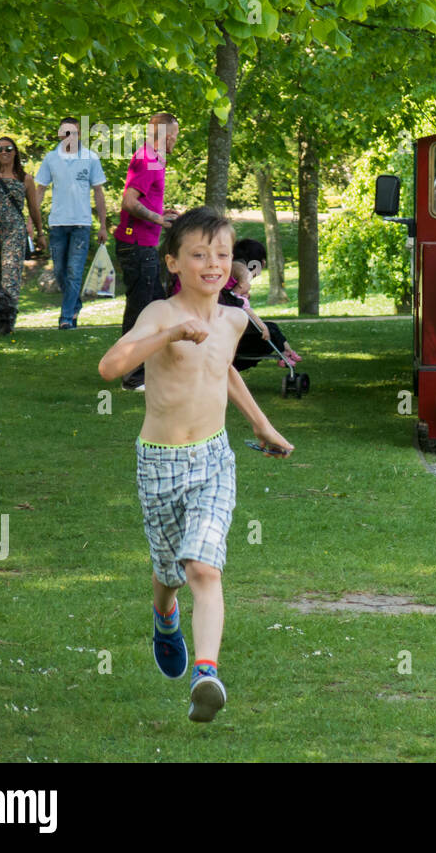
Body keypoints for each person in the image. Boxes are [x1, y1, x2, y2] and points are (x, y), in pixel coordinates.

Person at [96, 208, 293, 724]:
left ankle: (207, 674)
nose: (213, 263)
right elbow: (110, 367)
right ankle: (164, 616)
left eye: (222, 255)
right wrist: (170, 336)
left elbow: (222, 368)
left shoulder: (233, 317)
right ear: (174, 261)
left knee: (203, 566)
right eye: (200, 254)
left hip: (212, 458)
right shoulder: (160, 314)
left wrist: (260, 423)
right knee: (170, 573)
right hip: (159, 461)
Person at [115, 113, 180, 391]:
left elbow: (142, 202)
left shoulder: (151, 158)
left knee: (158, 308)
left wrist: (160, 213)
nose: (176, 141)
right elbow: (129, 201)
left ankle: (155, 368)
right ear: (166, 136)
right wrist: (159, 220)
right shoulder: (148, 159)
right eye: (176, 136)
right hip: (137, 246)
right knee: (140, 311)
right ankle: (131, 375)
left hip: (144, 245)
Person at [35, 117, 110, 329]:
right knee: (59, 271)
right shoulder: (50, 159)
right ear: (60, 134)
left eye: (75, 133)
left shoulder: (91, 158)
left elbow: (98, 192)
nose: (71, 137)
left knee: (74, 271)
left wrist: (103, 225)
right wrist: (32, 220)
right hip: (57, 224)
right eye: (66, 133)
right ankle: (75, 304)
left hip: (81, 224)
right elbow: (40, 190)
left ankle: (66, 318)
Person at [0, 137, 46, 323]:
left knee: (11, 276)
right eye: (0, 149)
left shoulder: (25, 179)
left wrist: (40, 233)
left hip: (15, 231)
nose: (4, 152)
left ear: (15, 152)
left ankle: (7, 322)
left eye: (8, 148)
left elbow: (33, 209)